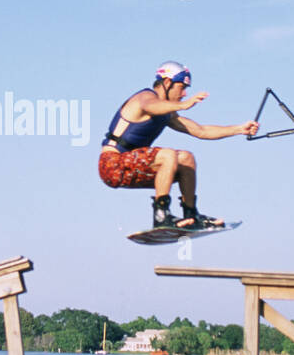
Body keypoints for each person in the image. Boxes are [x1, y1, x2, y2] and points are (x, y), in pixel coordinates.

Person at [99, 61, 259, 229]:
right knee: (168, 154)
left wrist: (240, 129)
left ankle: (191, 215)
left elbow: (201, 130)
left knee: (186, 158)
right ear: (167, 83)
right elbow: (151, 106)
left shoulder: (167, 113)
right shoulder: (144, 97)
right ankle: (161, 215)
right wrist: (184, 105)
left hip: (134, 167)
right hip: (112, 164)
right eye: (181, 87)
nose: (184, 94)